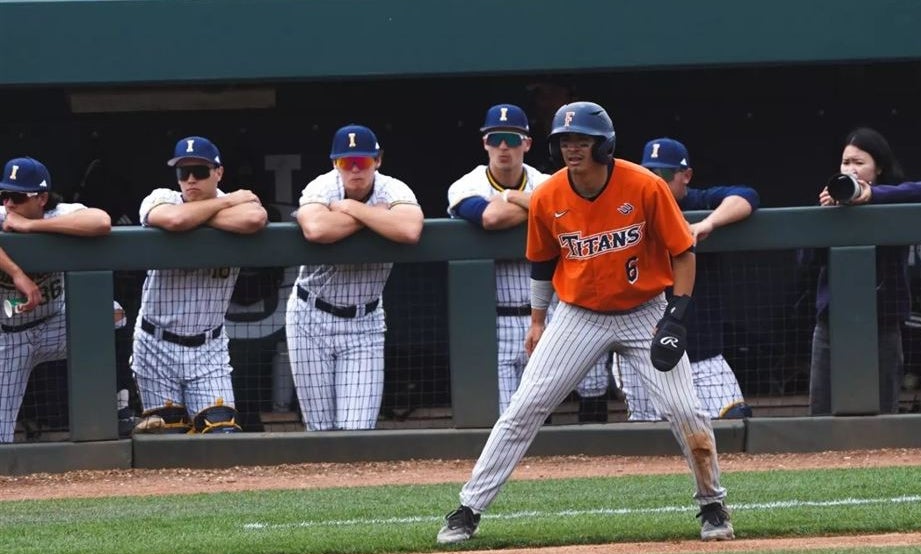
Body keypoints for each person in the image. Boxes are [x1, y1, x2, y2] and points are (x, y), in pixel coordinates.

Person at [437, 101, 733, 544]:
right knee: (523, 408)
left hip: (644, 310)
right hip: (579, 316)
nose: (572, 148)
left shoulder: (645, 185)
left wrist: (676, 315)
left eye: (582, 141)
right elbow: (542, 263)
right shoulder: (549, 195)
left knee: (685, 410)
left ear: (604, 144)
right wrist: (538, 321)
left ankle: (712, 504)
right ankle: (468, 509)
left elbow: (682, 252)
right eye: (565, 141)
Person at [446, 104, 610, 421]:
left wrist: (509, 197)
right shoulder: (467, 185)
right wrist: (541, 207)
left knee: (590, 384)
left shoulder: (545, 180)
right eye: (495, 139)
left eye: (511, 138)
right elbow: (490, 217)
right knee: (513, 416)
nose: (503, 147)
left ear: (527, 143)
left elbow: (578, 212)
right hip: (497, 320)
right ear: (484, 143)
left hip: (555, 312)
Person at [289, 124, 424, 431]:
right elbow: (317, 229)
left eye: (361, 161)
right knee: (319, 430)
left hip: (365, 321)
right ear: (335, 164)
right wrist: (375, 216)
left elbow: (409, 229)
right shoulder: (322, 186)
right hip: (310, 315)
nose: (354, 170)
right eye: (345, 162)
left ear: (377, 160)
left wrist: (351, 209)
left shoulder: (393, 188)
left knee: (357, 430)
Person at [614, 138, 758, 421]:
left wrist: (708, 223)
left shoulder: (700, 201)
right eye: (649, 174)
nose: (656, 183)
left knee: (735, 419)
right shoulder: (628, 207)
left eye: (665, 175)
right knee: (647, 431)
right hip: (644, 352)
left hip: (702, 353)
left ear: (686, 176)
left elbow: (747, 196)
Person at [133, 137, 268, 432]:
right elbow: (175, 219)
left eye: (200, 171)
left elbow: (254, 218)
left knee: (222, 435)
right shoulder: (162, 197)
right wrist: (225, 204)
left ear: (218, 172)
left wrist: (199, 215)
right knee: (167, 439)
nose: (191, 179)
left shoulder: (243, 203)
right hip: (156, 343)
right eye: (184, 172)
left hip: (209, 348)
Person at [803, 128, 921, 415]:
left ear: (878, 167)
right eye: (846, 162)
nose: (850, 169)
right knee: (821, 409)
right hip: (832, 322)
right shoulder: (832, 202)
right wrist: (823, 216)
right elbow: (806, 260)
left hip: (882, 320)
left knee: (883, 409)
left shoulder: (891, 198)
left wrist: (872, 195)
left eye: (859, 162)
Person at [0, 156, 112, 442]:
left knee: (112, 313)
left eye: (17, 197)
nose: (9, 204)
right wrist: (16, 273)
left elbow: (101, 222)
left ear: (42, 198)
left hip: (57, 325)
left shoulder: (60, 213)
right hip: (10, 337)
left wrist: (30, 227)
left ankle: (119, 405)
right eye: (4, 195)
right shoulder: (3, 214)